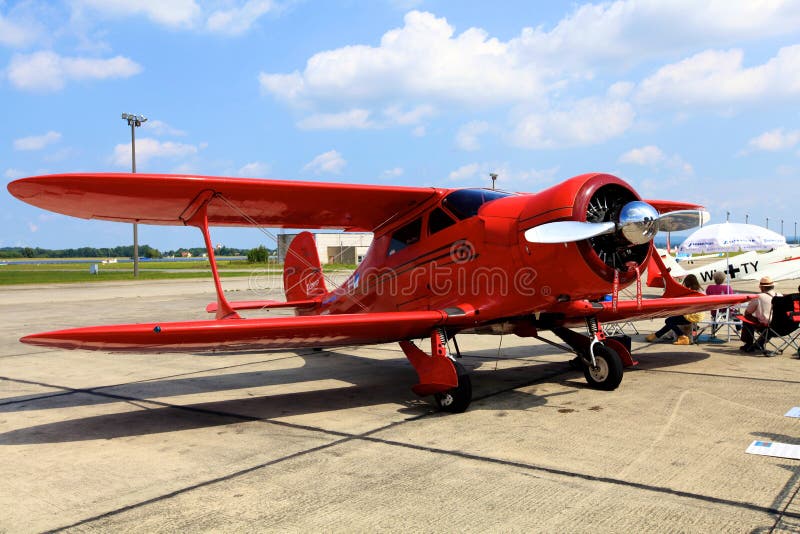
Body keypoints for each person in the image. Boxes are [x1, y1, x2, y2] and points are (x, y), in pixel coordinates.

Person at [646, 274, 703, 345]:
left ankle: (682, 337)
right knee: (671, 321)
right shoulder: (700, 291)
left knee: (669, 321)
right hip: (698, 316)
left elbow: (683, 305)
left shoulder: (689, 291)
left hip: (689, 316)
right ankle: (656, 335)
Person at [739, 276, 781, 352]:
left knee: (746, 318)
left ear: (762, 288)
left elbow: (748, 312)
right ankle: (759, 343)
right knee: (769, 322)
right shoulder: (780, 295)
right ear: (773, 286)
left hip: (766, 326)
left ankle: (748, 344)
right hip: (781, 326)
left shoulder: (758, 297)